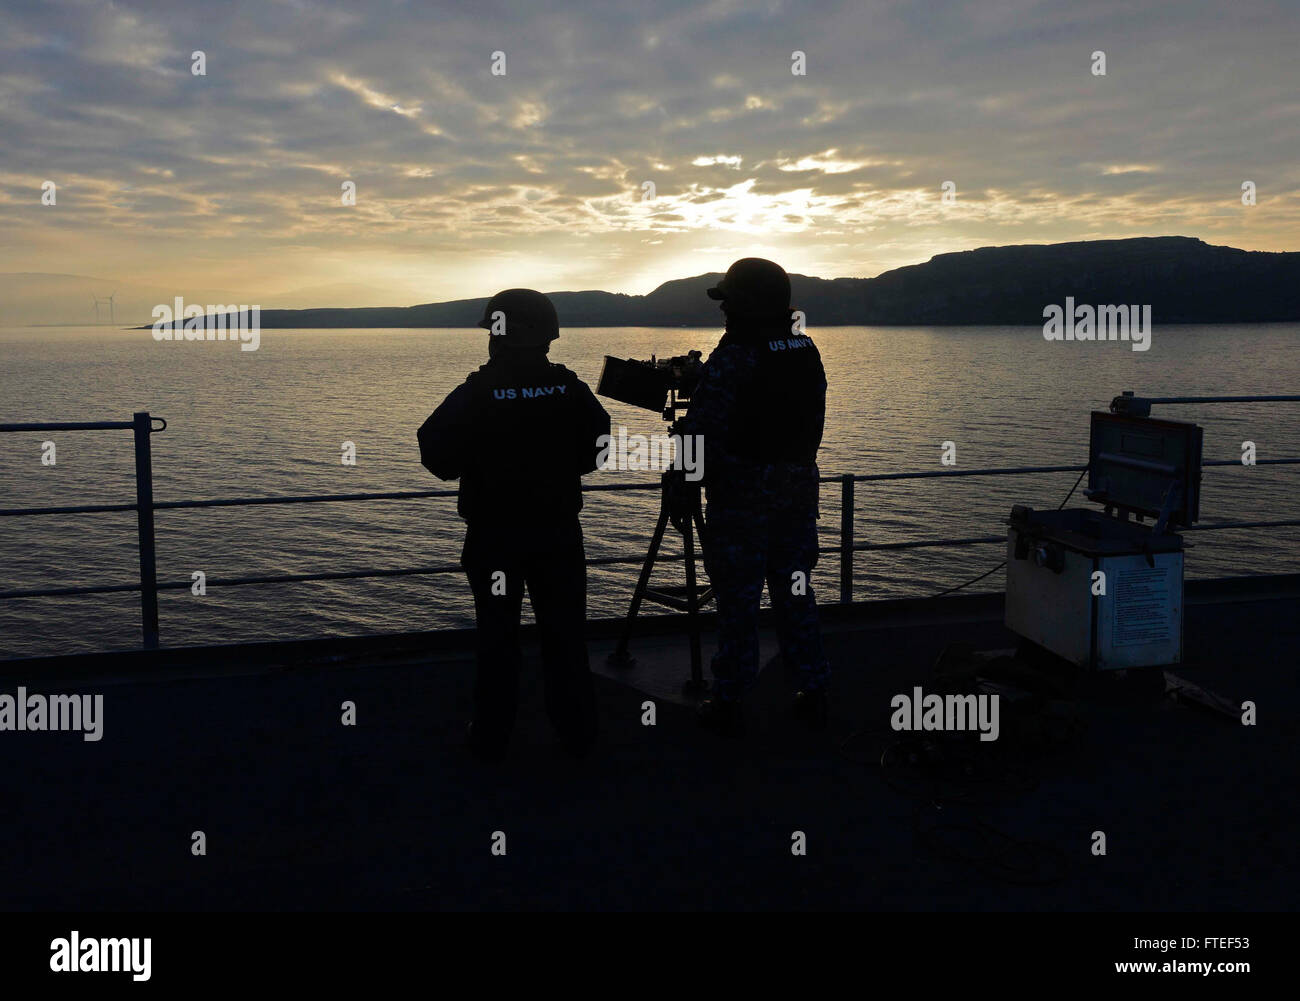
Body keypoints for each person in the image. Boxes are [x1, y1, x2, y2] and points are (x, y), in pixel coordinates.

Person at [417, 289, 610, 760]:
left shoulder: (479, 390)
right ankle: (577, 733)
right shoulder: (568, 387)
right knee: (565, 636)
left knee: (497, 636)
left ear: (497, 335)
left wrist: (480, 465)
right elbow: (599, 444)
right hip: (558, 533)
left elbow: (435, 450)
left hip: (495, 537)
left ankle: (491, 735)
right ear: (548, 335)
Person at [676, 258, 831, 736]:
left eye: (729, 301)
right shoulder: (804, 347)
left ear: (747, 304)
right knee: (796, 591)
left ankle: (729, 696)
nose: (724, 312)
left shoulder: (737, 353)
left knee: (738, 602)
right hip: (798, 490)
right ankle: (812, 685)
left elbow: (703, 429)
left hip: (743, 497)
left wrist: (682, 481)